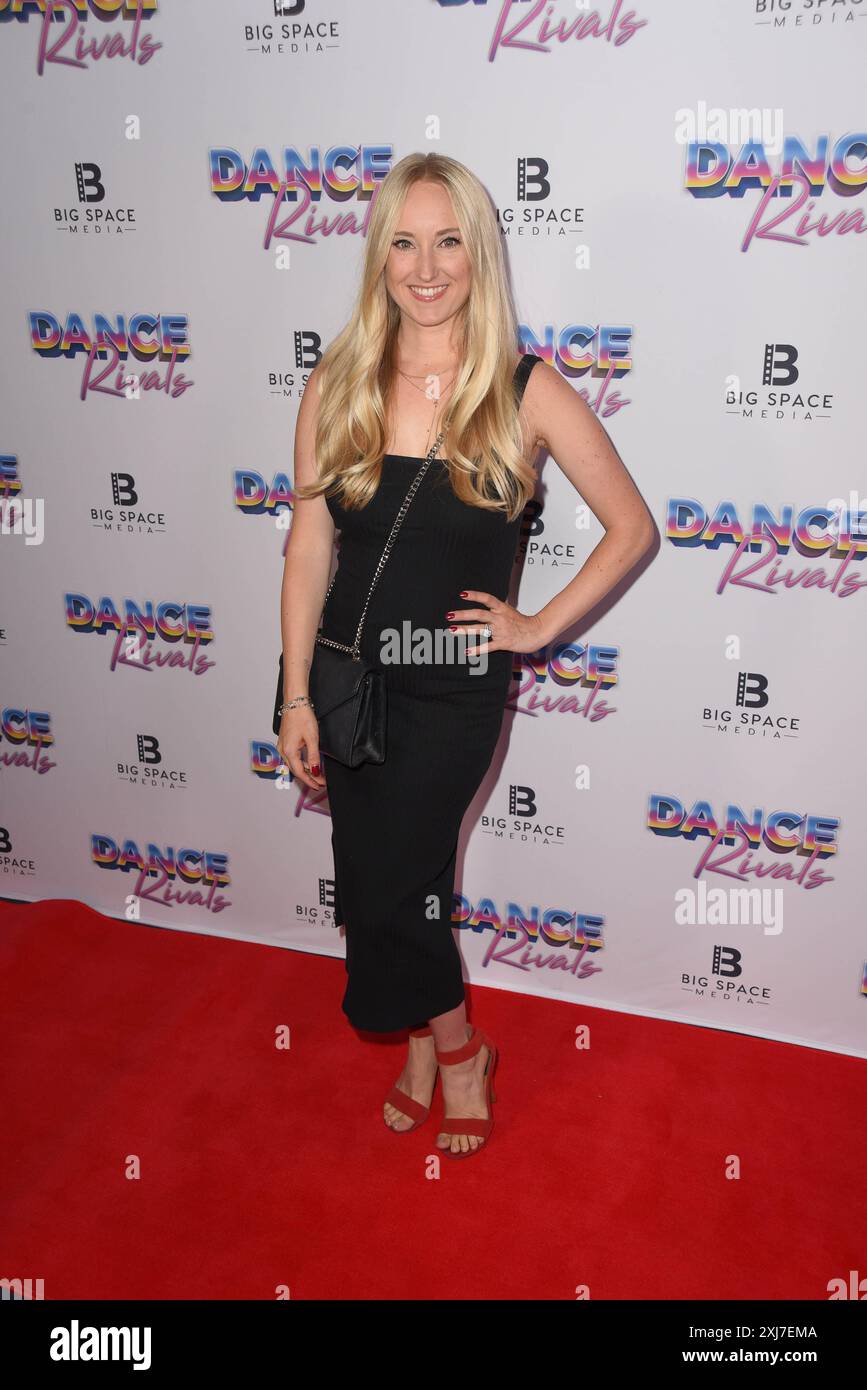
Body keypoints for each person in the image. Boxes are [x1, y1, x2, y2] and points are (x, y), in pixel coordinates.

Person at [277, 152, 653, 1159]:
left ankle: (459, 1055)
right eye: (405, 241)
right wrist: (293, 696)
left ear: (480, 254)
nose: (427, 266)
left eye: (449, 241)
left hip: (451, 693)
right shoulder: (339, 379)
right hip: (350, 675)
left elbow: (632, 528)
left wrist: (534, 627)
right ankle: (420, 1046)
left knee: (399, 886)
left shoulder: (525, 390)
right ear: (380, 255)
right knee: (372, 883)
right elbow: (311, 546)